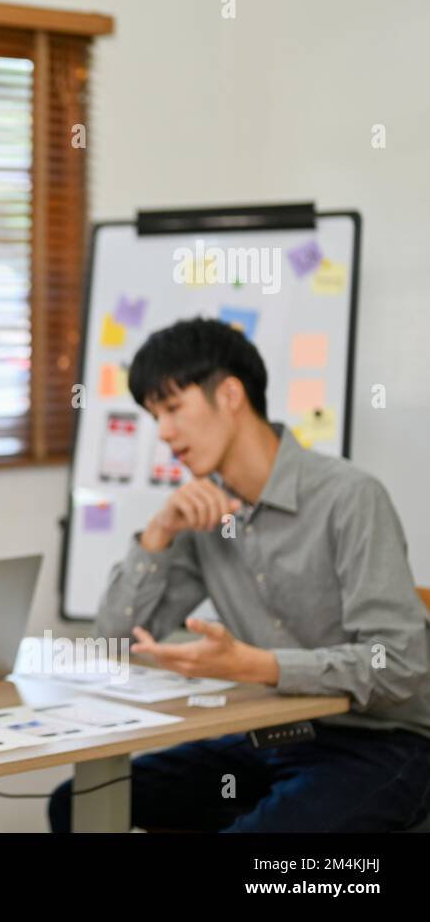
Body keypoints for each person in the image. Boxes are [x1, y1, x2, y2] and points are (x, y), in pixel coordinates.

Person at [49, 317, 430, 832]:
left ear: (230, 394)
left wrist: (260, 665)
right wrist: (157, 533)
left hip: (381, 741)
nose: (162, 433)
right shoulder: (206, 511)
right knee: (78, 801)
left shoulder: (349, 497)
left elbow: (400, 665)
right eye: (153, 416)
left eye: (173, 408)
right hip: (275, 731)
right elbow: (114, 645)